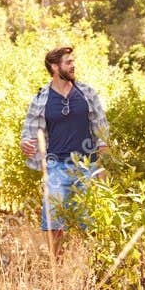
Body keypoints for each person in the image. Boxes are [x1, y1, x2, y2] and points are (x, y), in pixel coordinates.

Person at [20, 46, 108, 253]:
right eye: (68, 62)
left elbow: (102, 132)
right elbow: (28, 133)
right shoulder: (41, 98)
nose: (73, 65)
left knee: (93, 225)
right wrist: (25, 143)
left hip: (88, 165)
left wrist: (103, 169)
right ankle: (56, 273)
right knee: (54, 224)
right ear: (54, 66)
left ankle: (96, 269)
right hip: (56, 167)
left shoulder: (86, 93)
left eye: (72, 61)